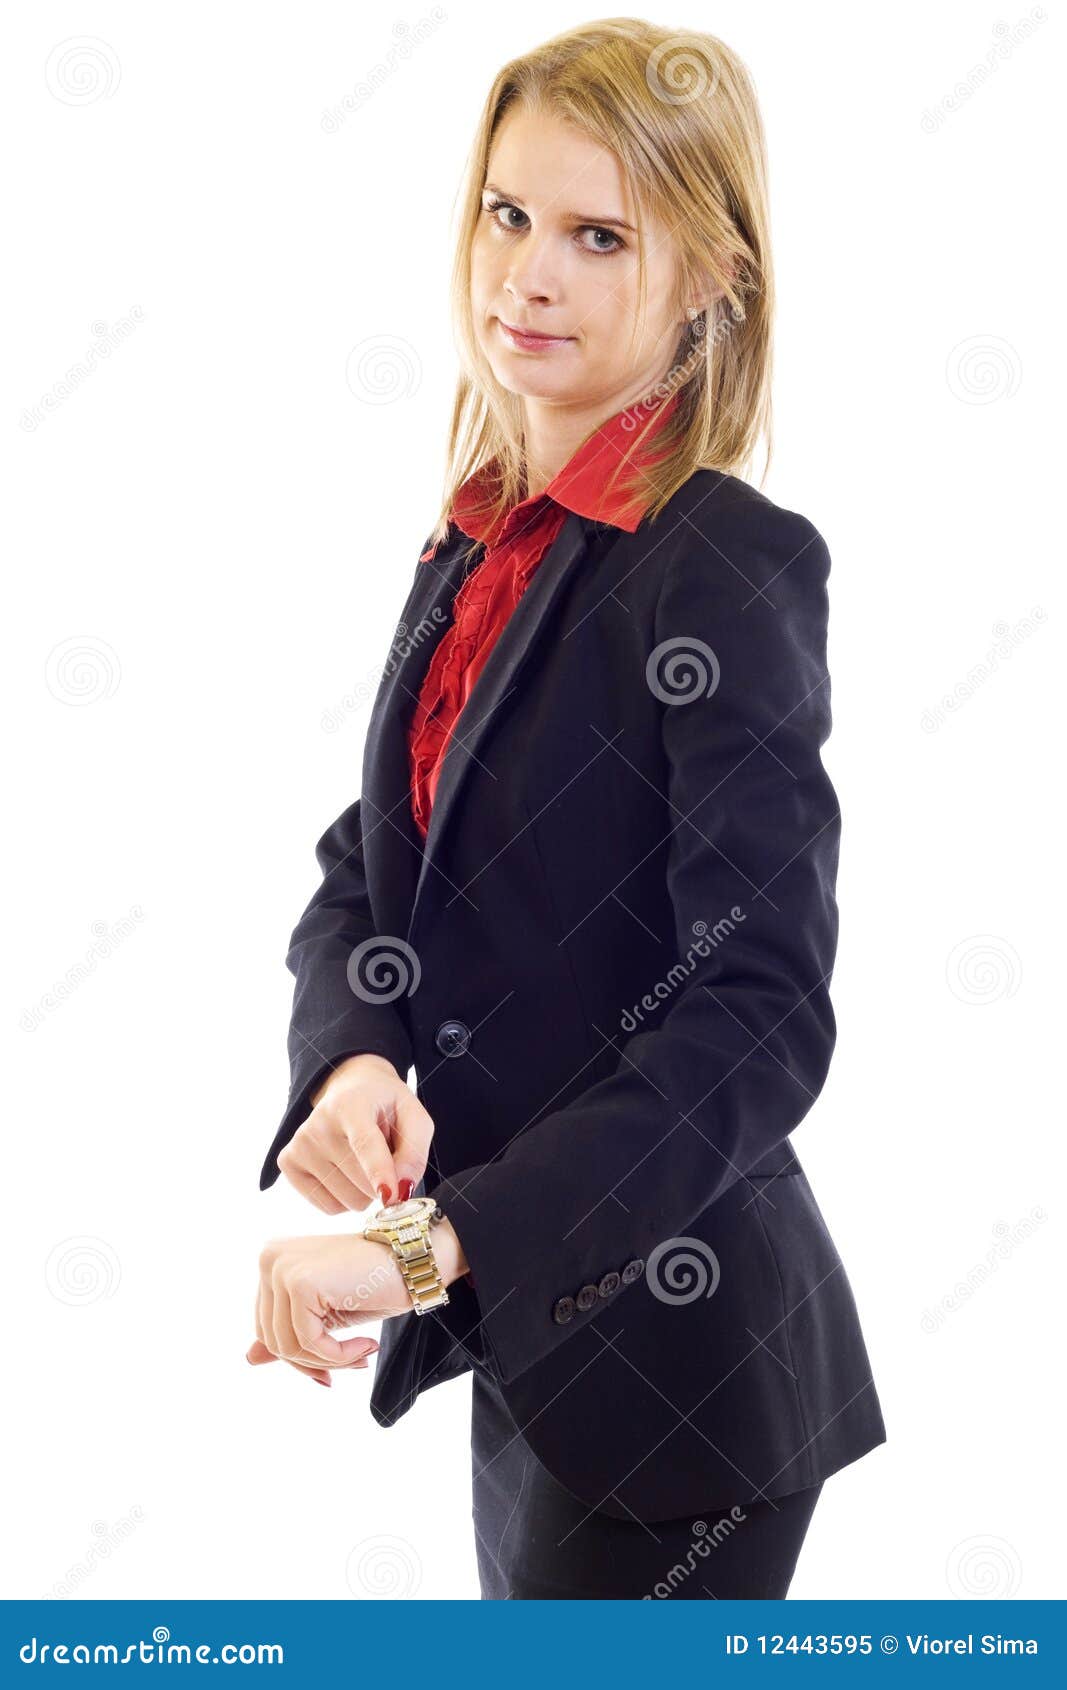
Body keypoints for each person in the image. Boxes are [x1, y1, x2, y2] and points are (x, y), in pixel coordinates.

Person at [249, 18, 887, 1600]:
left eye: (601, 236)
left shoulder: (723, 561)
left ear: (712, 275)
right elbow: (371, 866)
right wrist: (348, 1057)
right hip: (531, 1335)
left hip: (682, 1384)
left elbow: (755, 1017)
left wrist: (416, 1248)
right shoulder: (481, 541)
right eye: (508, 214)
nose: (527, 274)